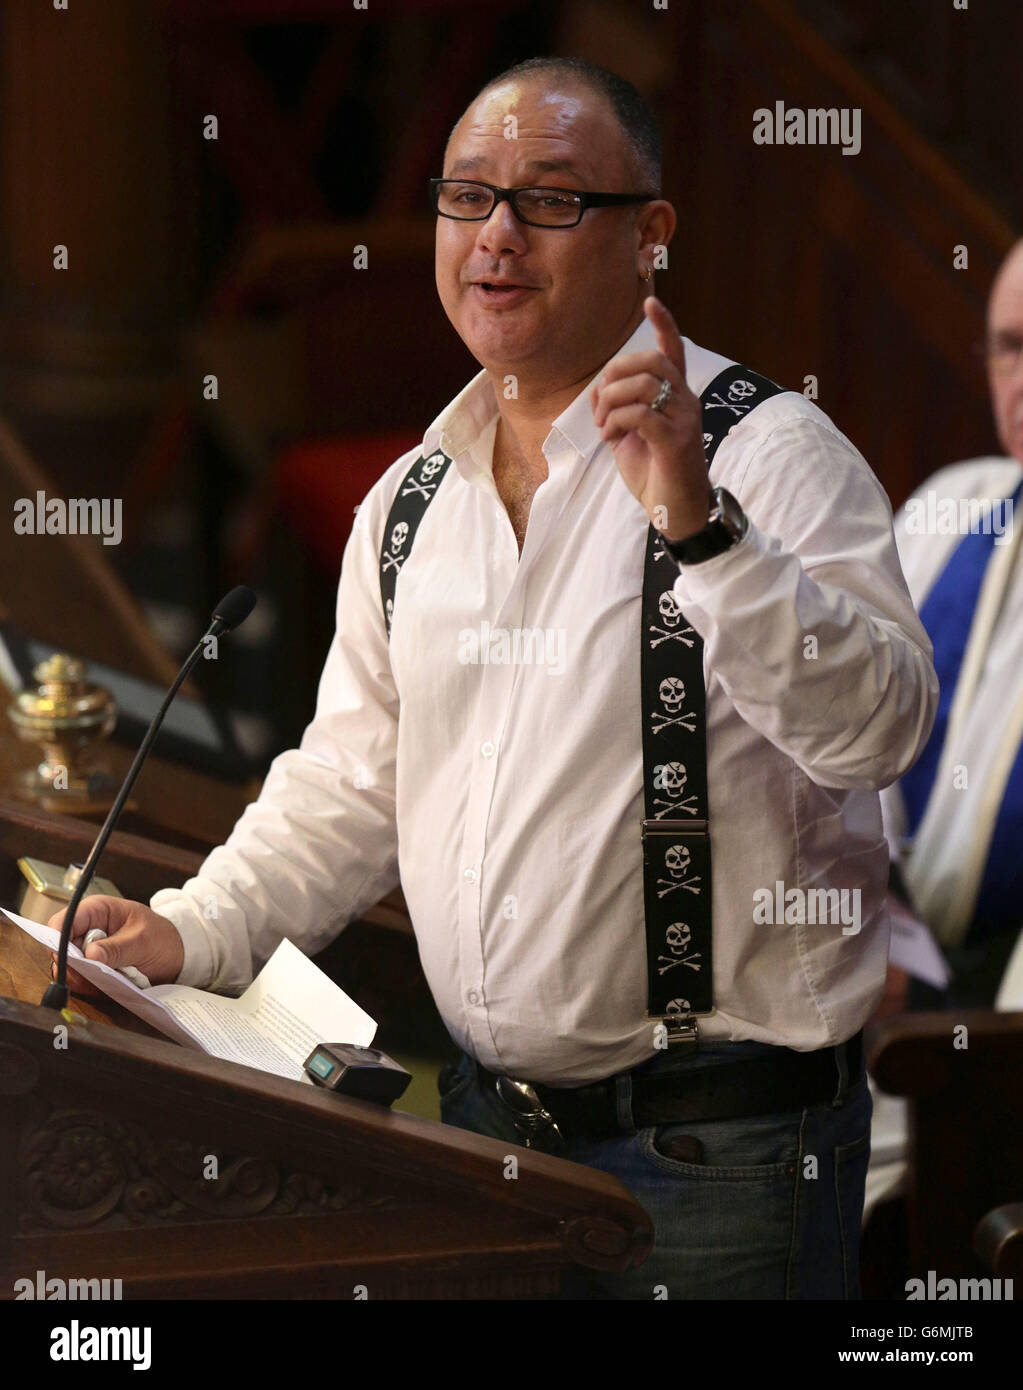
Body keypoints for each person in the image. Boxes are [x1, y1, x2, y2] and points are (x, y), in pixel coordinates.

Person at [49, 57, 937, 1300]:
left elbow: (884, 731)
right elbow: (349, 787)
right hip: (482, 1136)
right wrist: (194, 927)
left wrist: (703, 533)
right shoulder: (414, 502)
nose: (498, 238)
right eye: (467, 197)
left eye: (552, 199)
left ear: (651, 237)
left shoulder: (775, 456)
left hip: (718, 1159)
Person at [881, 238, 1023, 1008]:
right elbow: (838, 742)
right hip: (872, 1002)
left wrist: (935, 998)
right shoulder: (952, 506)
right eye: (1009, 349)